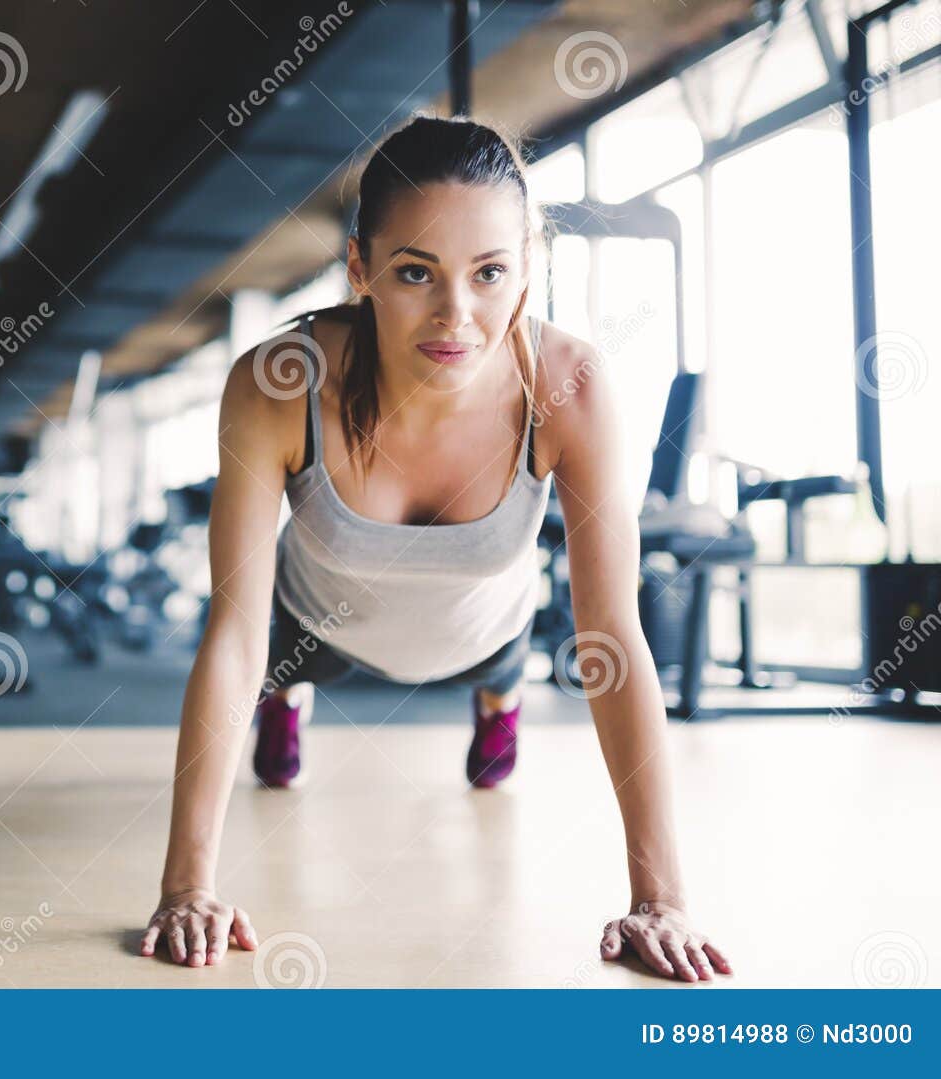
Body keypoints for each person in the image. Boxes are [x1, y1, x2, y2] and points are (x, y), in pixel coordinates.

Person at [138, 116, 733, 983]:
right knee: (272, 666)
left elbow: (610, 635)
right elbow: (232, 629)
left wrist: (662, 897)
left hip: (488, 638)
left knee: (493, 723)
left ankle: (498, 705)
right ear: (358, 268)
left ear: (530, 265)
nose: (458, 314)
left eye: (490, 273)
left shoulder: (571, 387)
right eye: (416, 272)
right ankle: (286, 699)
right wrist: (187, 884)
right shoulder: (278, 385)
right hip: (314, 633)